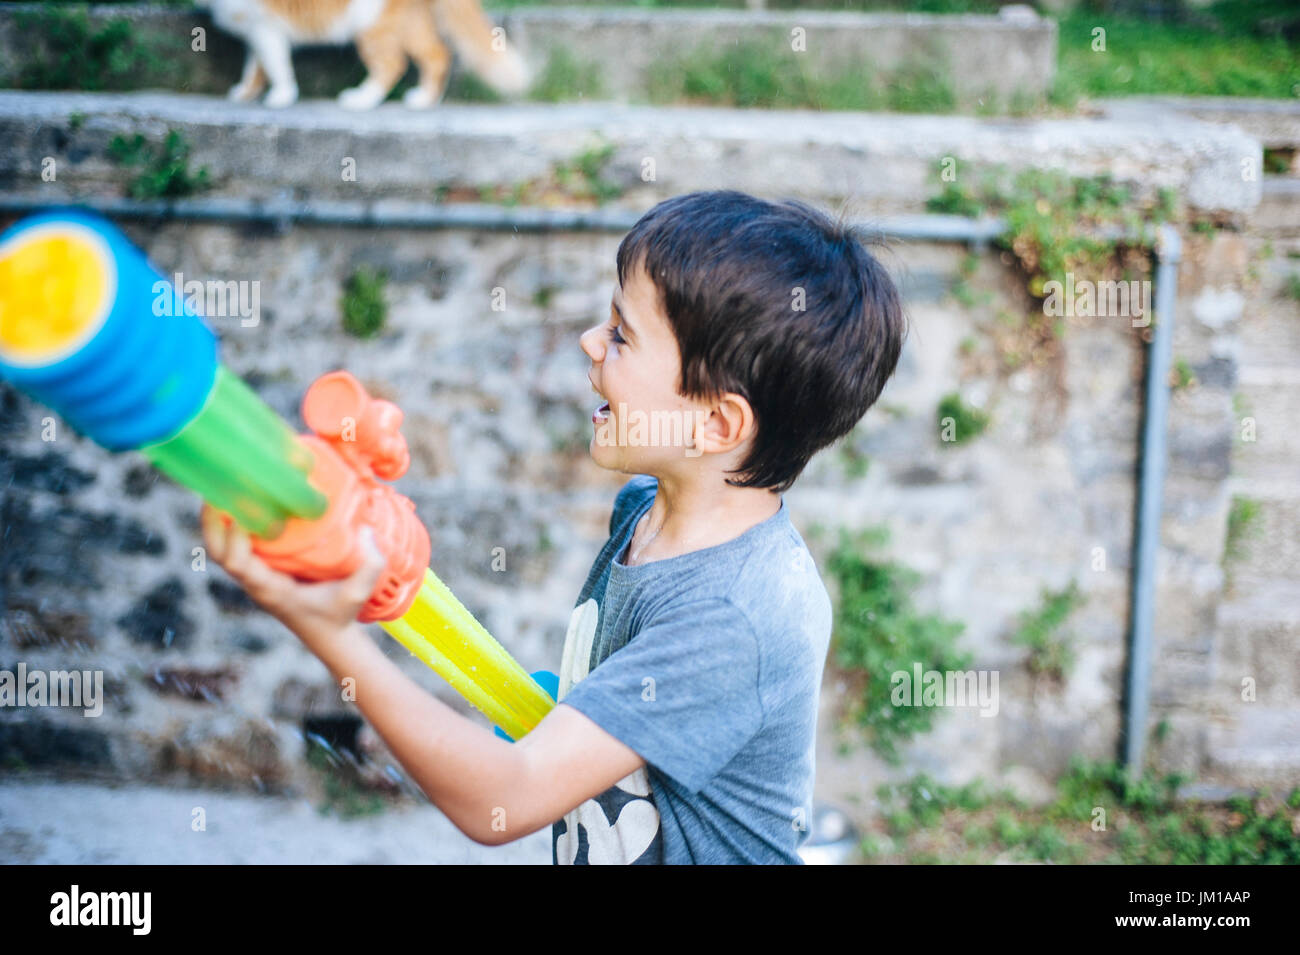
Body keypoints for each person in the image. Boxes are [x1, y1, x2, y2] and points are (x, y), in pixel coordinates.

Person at [203, 189, 907, 864]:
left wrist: (326, 632)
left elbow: (502, 801)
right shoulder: (643, 508)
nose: (589, 341)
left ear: (716, 423)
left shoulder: (737, 614)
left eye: (622, 335)